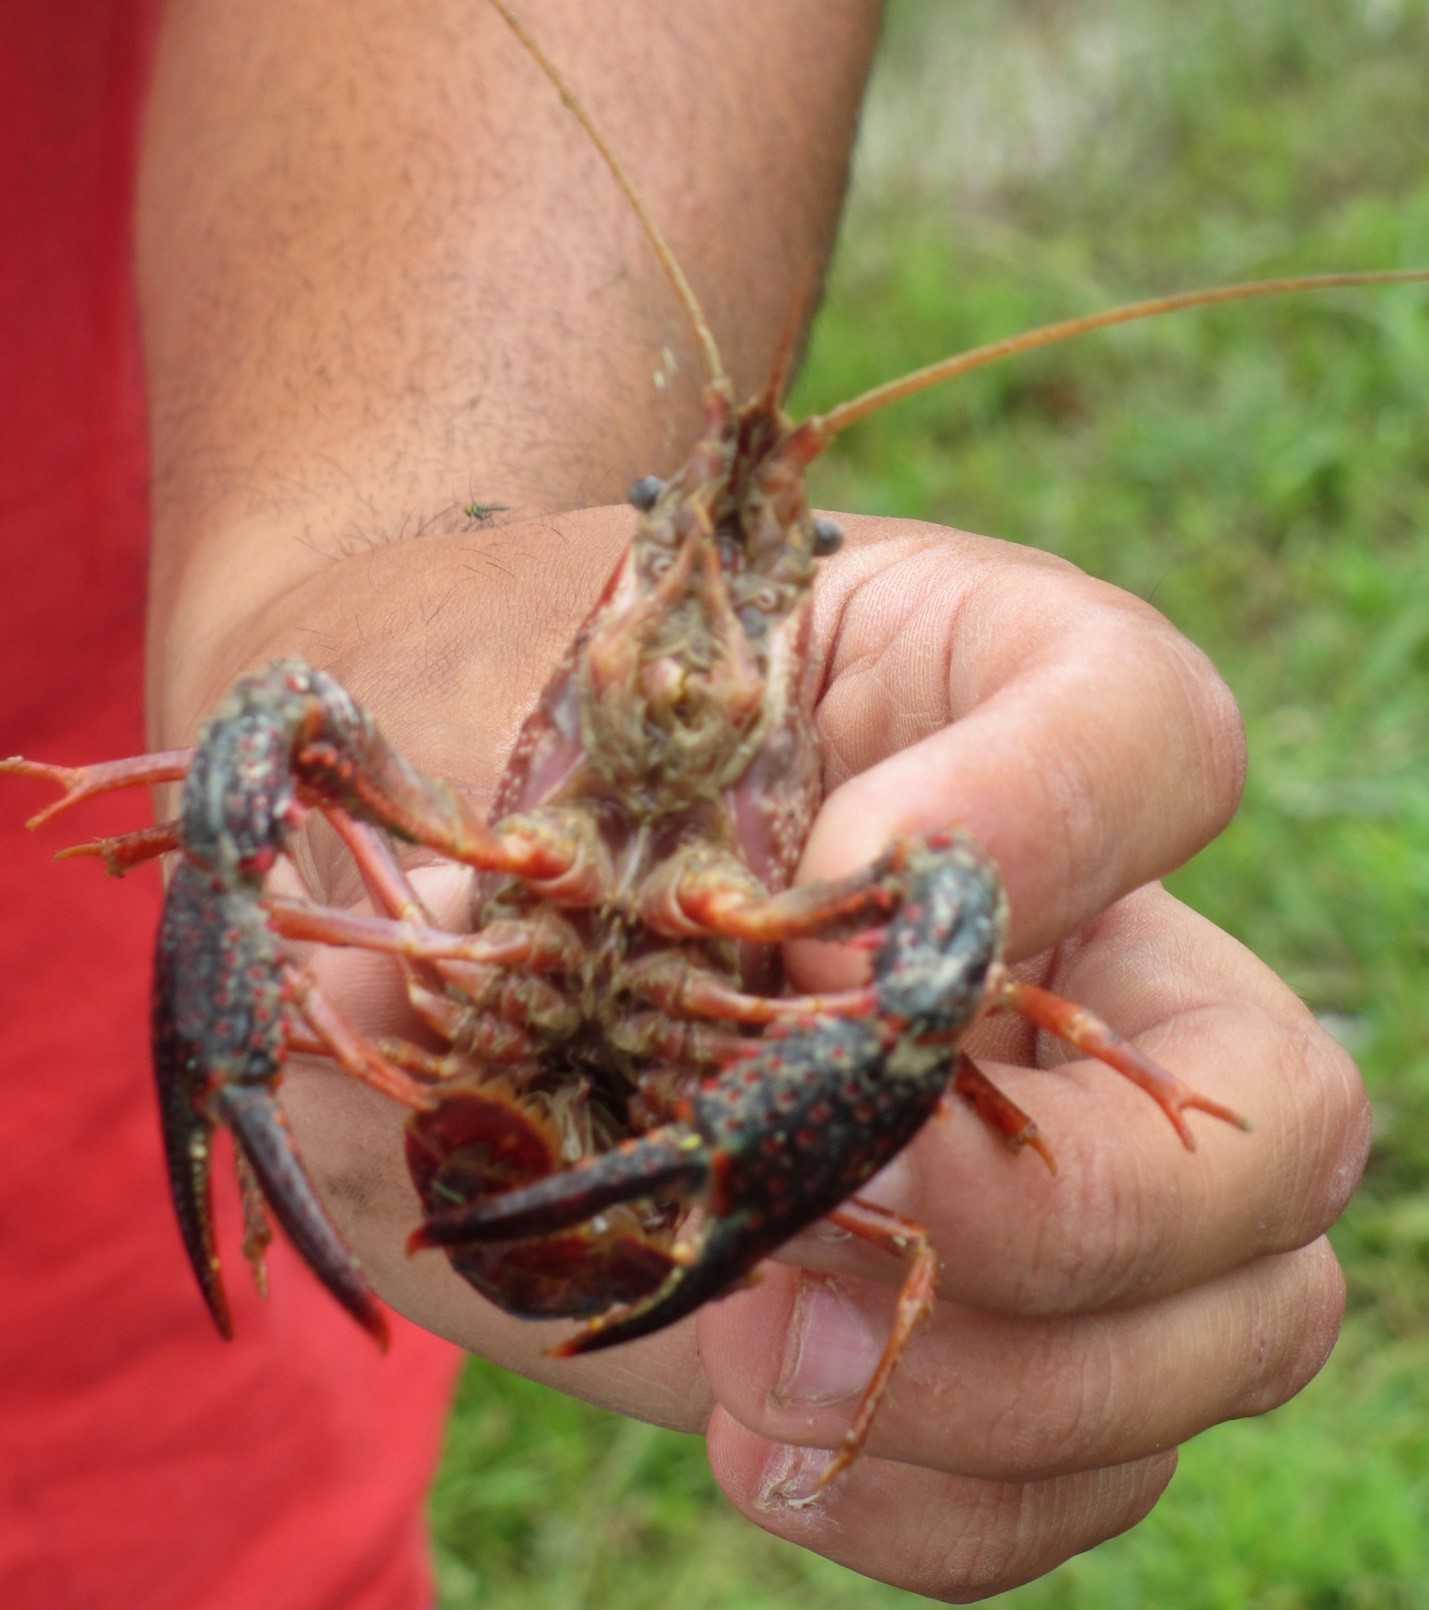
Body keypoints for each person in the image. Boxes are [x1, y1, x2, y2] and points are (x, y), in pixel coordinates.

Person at [1, 0, 1365, 1603]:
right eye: (669, 533)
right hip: (90, 1063)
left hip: (246, 1385)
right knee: (263, 734)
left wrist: (344, 573)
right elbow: (266, 752)